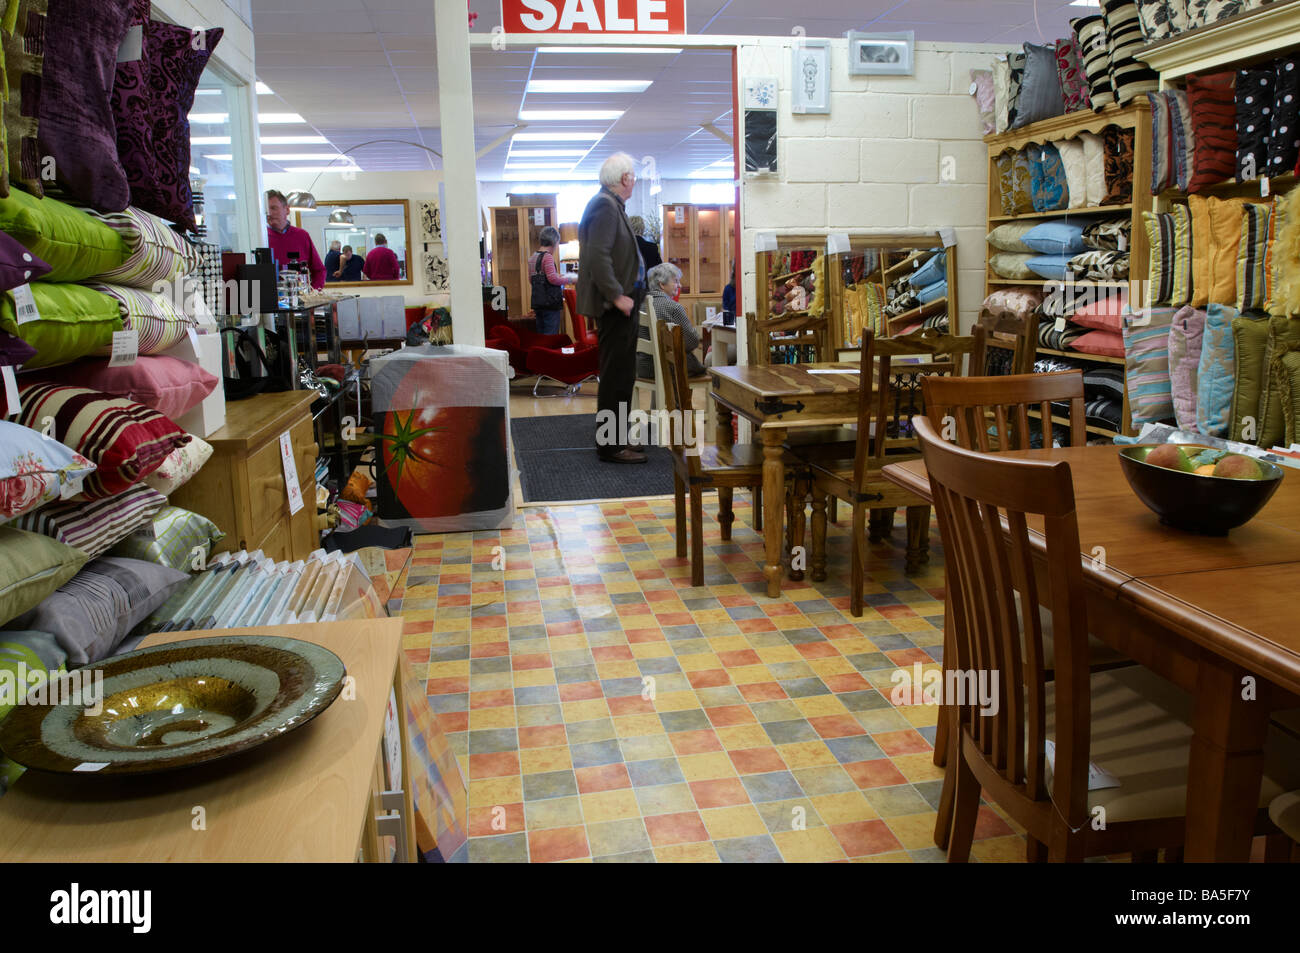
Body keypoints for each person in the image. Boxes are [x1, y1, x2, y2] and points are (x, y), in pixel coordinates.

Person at [579, 153, 646, 465]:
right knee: (616, 377)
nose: (635, 180)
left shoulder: (611, 205)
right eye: (633, 175)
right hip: (615, 307)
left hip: (621, 307)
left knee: (623, 375)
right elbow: (597, 257)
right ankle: (610, 445)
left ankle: (616, 438)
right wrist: (618, 296)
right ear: (624, 179)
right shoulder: (605, 205)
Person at [640, 262, 705, 380]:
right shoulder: (673, 307)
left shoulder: (640, 306)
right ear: (662, 284)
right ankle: (678, 399)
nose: (679, 285)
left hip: (643, 367)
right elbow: (692, 341)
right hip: (667, 367)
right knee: (698, 366)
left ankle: (662, 399)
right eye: (675, 281)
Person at [266, 190, 325, 290]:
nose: (269, 213)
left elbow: (319, 271)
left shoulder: (302, 236)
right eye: (266, 209)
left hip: (300, 300)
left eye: (273, 208)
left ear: (287, 210)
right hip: (270, 301)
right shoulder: (260, 239)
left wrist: (313, 294)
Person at [529, 225, 575, 335]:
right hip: (550, 304)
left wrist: (557, 276)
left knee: (541, 335)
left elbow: (531, 280)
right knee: (551, 337)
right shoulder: (548, 257)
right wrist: (569, 279)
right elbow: (552, 279)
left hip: (538, 304)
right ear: (554, 242)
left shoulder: (533, 257)